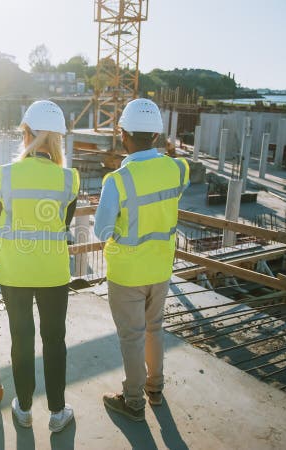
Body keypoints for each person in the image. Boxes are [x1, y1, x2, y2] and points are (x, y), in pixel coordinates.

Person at [94, 98, 189, 421]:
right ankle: (155, 388)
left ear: (123, 134)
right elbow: (176, 185)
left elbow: (101, 230)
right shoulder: (177, 169)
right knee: (154, 329)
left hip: (127, 274)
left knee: (132, 337)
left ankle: (133, 401)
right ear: (157, 135)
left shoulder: (117, 181)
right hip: (161, 268)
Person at [0, 100, 79, 432]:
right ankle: (57, 412)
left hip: (14, 271)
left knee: (21, 337)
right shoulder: (69, 179)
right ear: (57, 140)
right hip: (53, 272)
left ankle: (24, 408)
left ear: (26, 134)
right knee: (54, 339)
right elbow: (64, 223)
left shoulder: (4, 175)